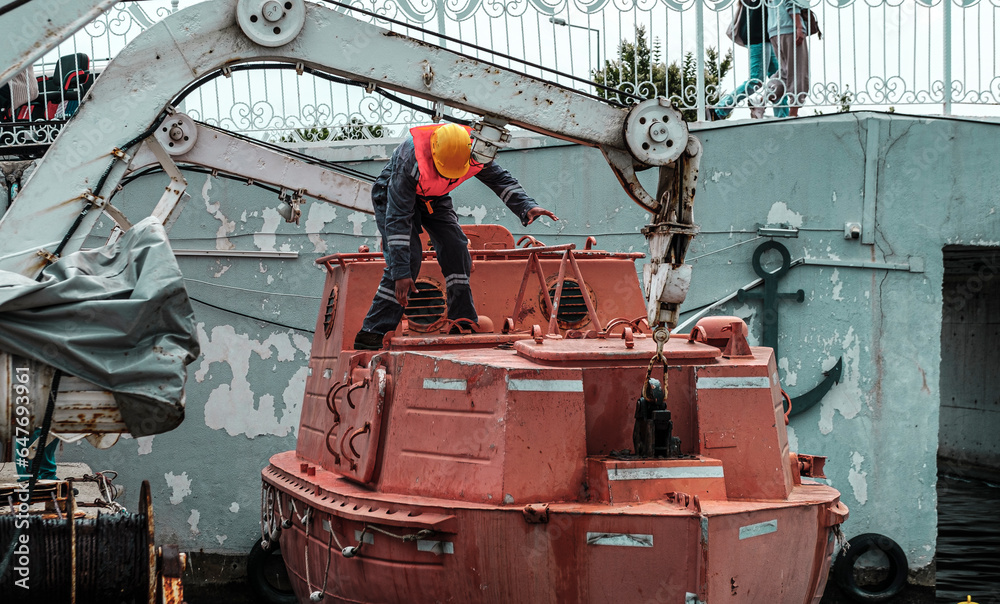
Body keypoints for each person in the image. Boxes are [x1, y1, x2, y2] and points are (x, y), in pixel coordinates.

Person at [353, 122, 558, 350]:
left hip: (435, 196)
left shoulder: (476, 149)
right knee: (407, 259)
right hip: (393, 196)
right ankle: (372, 332)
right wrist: (401, 272)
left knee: (456, 247)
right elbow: (398, 218)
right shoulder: (409, 160)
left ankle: (461, 320)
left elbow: (500, 179)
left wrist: (527, 206)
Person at [715, 0, 788, 120]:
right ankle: (719, 110)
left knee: (779, 80)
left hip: (764, 37)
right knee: (755, 81)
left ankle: (782, 116)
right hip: (759, 36)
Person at [765, 0, 810, 117]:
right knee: (798, 71)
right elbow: (791, 2)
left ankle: (761, 101)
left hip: (774, 30)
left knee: (785, 72)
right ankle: (793, 113)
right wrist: (799, 26)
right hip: (789, 26)